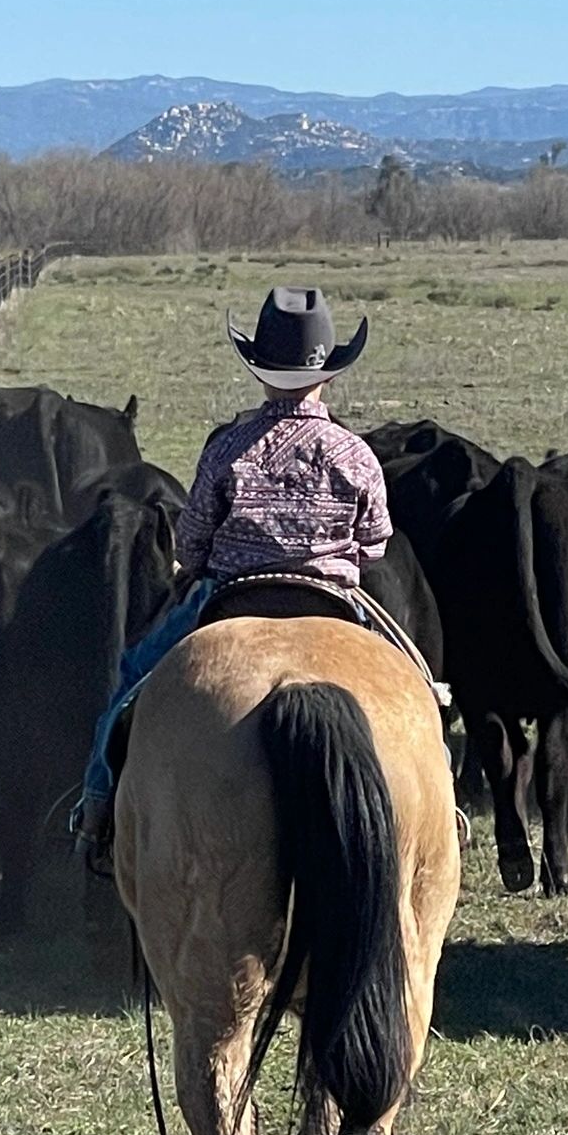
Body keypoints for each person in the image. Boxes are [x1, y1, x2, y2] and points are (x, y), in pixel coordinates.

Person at [71, 285, 390, 872]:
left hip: (230, 598)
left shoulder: (228, 449)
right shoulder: (356, 454)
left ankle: (97, 807)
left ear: (260, 372)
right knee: (416, 687)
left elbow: (192, 543)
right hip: (335, 603)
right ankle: (442, 802)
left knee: (129, 682)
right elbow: (374, 542)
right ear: (331, 374)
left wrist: (204, 560)